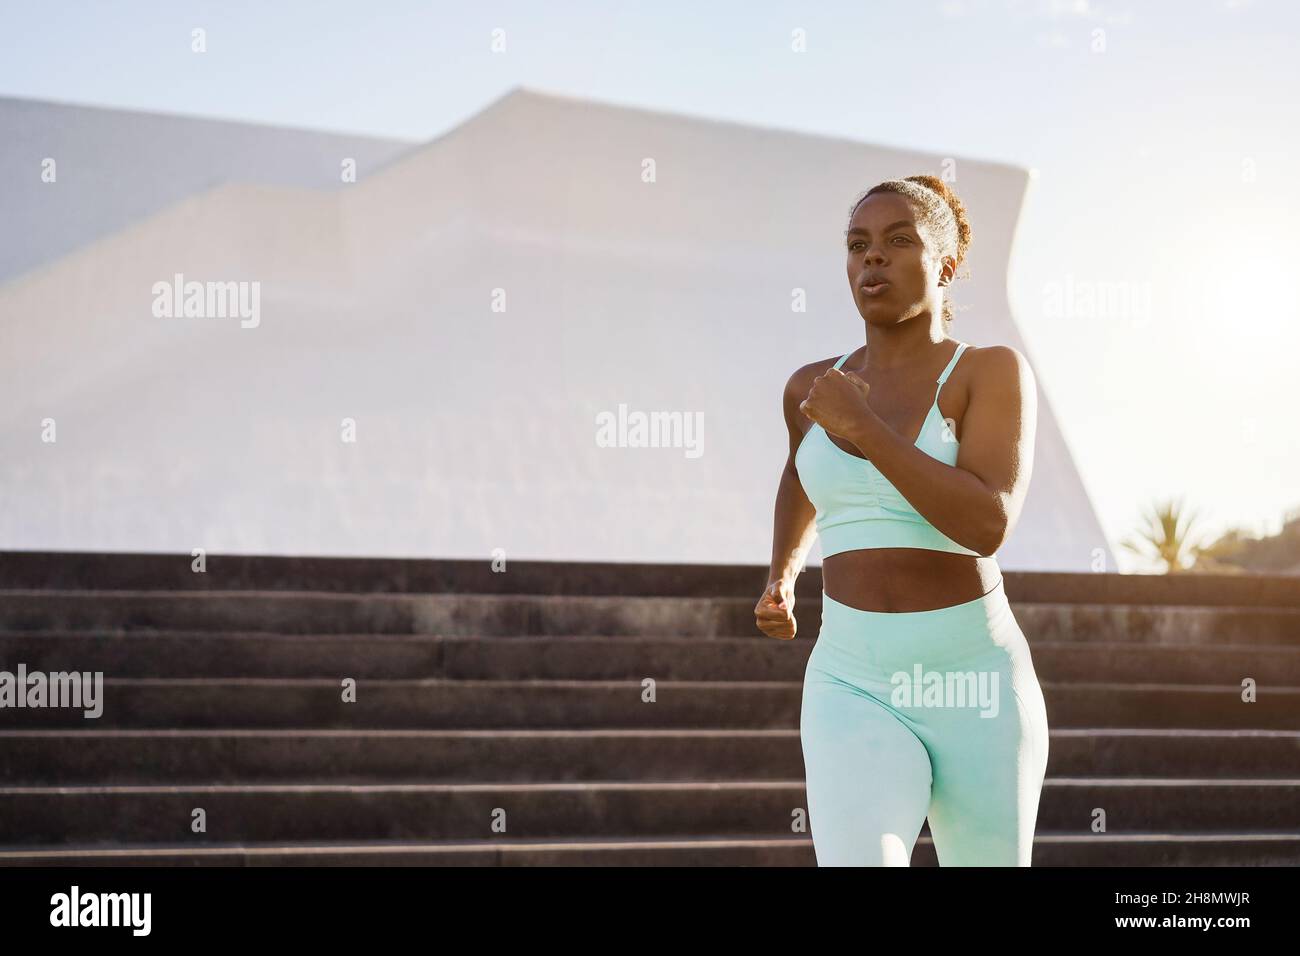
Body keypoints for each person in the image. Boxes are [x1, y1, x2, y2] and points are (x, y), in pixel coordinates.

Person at [754, 175, 1049, 866]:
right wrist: (783, 574)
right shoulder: (811, 388)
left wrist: (866, 428)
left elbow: (986, 522)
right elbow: (801, 474)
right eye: (858, 245)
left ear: (945, 265)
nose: (871, 260)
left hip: (975, 679)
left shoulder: (989, 371)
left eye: (897, 242)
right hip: (851, 678)